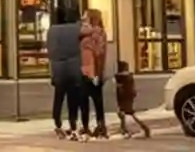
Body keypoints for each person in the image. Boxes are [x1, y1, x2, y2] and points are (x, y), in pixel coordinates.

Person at [47, 13, 89, 140]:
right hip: (73, 67)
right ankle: (73, 122)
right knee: (73, 98)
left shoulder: (52, 31)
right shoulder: (77, 29)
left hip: (58, 67)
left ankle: (57, 122)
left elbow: (50, 49)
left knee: (58, 97)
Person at [80, 9, 109, 138]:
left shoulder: (98, 34)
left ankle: (98, 126)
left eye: (85, 16)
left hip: (93, 71)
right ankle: (90, 126)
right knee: (87, 100)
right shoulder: (82, 33)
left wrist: (88, 45)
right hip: (87, 70)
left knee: (95, 100)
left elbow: (100, 53)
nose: (82, 18)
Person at [115, 60, 151, 138]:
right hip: (128, 97)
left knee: (126, 113)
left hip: (124, 98)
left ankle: (143, 128)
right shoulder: (128, 76)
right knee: (124, 114)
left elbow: (121, 90)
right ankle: (124, 130)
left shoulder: (121, 78)